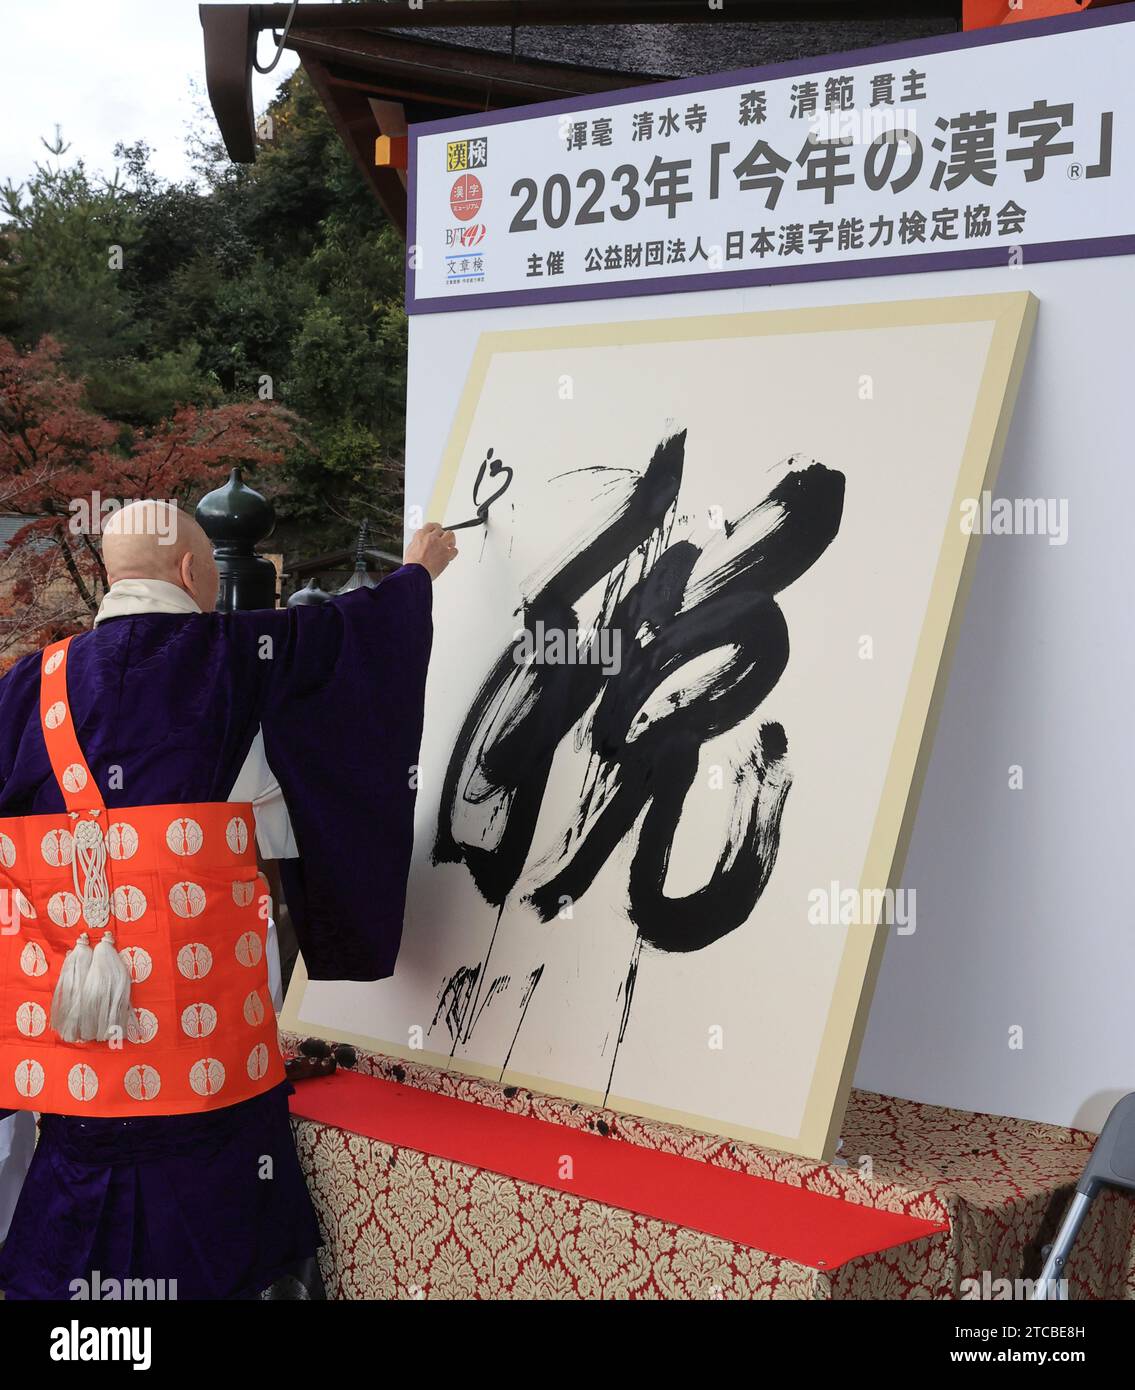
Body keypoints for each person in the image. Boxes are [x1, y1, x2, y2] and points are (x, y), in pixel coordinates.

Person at [0, 501, 457, 1300]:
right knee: (215, 1232)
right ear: (189, 571)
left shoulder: (18, 692)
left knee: (75, 1229)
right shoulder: (236, 656)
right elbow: (356, 644)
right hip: (207, 1059)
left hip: (76, 1055)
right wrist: (418, 571)